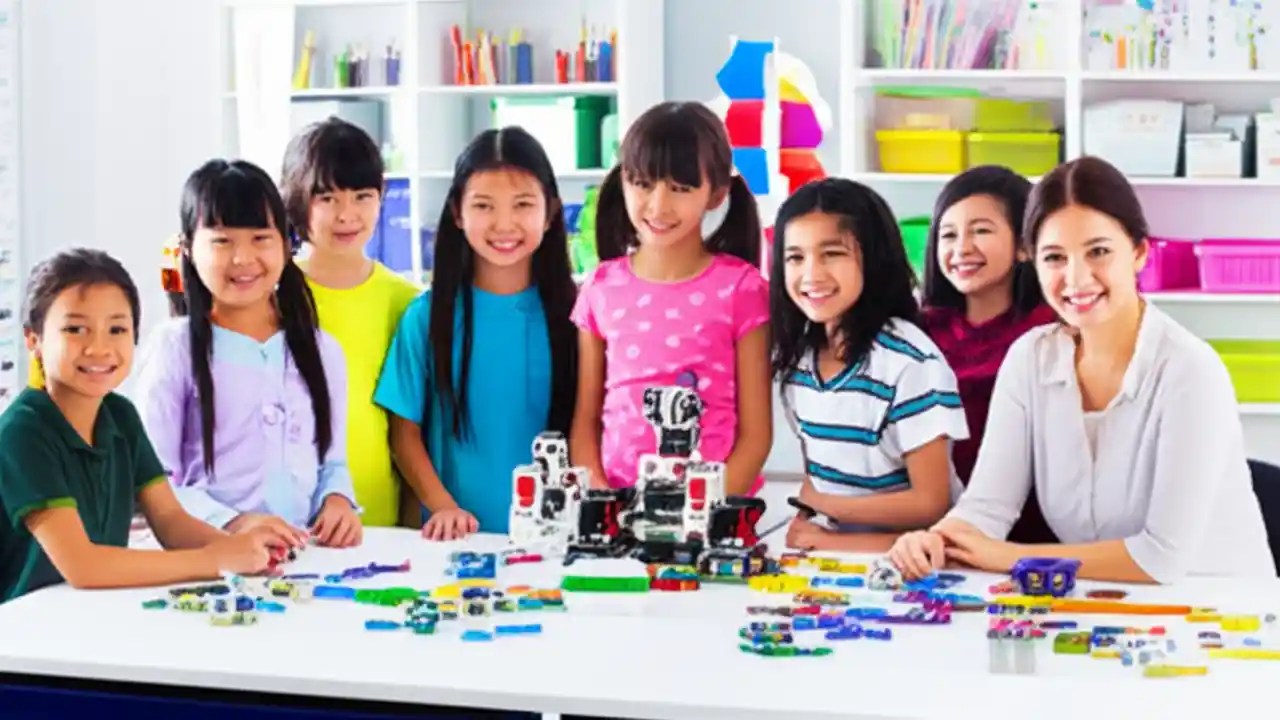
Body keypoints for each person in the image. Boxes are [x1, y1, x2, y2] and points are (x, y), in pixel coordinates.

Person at [890, 156, 1276, 583]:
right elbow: (987, 507)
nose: (1076, 279)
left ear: (1139, 252)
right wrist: (936, 541)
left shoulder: (1190, 370)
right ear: (1033, 263)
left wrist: (1007, 557)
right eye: (1054, 257)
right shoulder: (1030, 359)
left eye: (1098, 251)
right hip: (1101, 613)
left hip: (1223, 618)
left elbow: (1160, 557)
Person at [0, 249, 289, 603]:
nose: (98, 347)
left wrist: (241, 551)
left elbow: (169, 519)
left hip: (87, 615)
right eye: (75, 329)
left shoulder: (120, 416)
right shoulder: (23, 431)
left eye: (117, 329)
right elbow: (83, 566)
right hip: (22, 636)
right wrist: (215, 559)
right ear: (34, 341)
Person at [134, 159, 363, 548]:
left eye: (260, 238)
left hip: (306, 558)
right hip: (210, 559)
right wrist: (233, 522)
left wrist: (337, 500)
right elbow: (153, 482)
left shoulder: (321, 351)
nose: (243, 259)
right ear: (188, 250)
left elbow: (333, 462)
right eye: (222, 241)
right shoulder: (174, 348)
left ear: (287, 245)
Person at [374, 127, 579, 541]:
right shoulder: (427, 317)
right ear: (457, 212)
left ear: (551, 211)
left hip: (559, 538)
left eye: (523, 205)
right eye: (484, 206)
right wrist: (444, 506)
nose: (504, 225)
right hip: (454, 538)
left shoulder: (580, 316)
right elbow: (404, 433)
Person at [569, 101, 772, 496]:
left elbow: (756, 436)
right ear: (623, 181)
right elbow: (585, 422)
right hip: (619, 513)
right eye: (643, 183)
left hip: (713, 514)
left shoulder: (742, 289)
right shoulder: (600, 289)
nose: (659, 205)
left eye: (681, 188)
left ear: (715, 194)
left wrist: (708, 510)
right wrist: (603, 501)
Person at [772, 178, 969, 552]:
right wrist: (811, 518)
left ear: (874, 259)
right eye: (795, 257)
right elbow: (819, 480)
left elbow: (931, 504)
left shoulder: (911, 364)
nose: (811, 274)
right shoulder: (799, 362)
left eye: (831, 253)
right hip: (837, 554)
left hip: (921, 557)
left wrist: (826, 512)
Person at [281, 117, 421, 528]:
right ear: (295, 199)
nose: (347, 214)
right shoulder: (271, 296)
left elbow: (410, 426)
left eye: (362, 196)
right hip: (288, 517)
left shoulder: (406, 301)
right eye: (327, 198)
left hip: (379, 517)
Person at [919, 166, 1058, 544]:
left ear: (1025, 245)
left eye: (980, 230)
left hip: (1038, 535)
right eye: (948, 235)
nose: (961, 248)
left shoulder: (1051, 332)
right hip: (935, 528)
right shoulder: (921, 331)